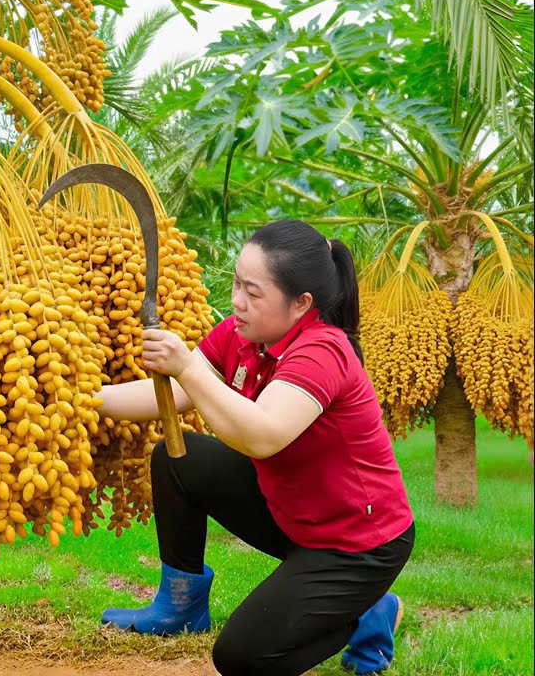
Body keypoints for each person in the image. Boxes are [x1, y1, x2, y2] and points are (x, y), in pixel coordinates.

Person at [96, 220, 415, 676]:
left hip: (355, 544)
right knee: (177, 456)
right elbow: (173, 396)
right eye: (236, 283)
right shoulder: (242, 334)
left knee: (241, 658)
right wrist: (82, 401)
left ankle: (365, 613)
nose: (236, 301)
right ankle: (180, 604)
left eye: (253, 291)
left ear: (301, 303)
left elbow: (262, 436)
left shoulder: (323, 350)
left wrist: (187, 366)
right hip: (294, 512)